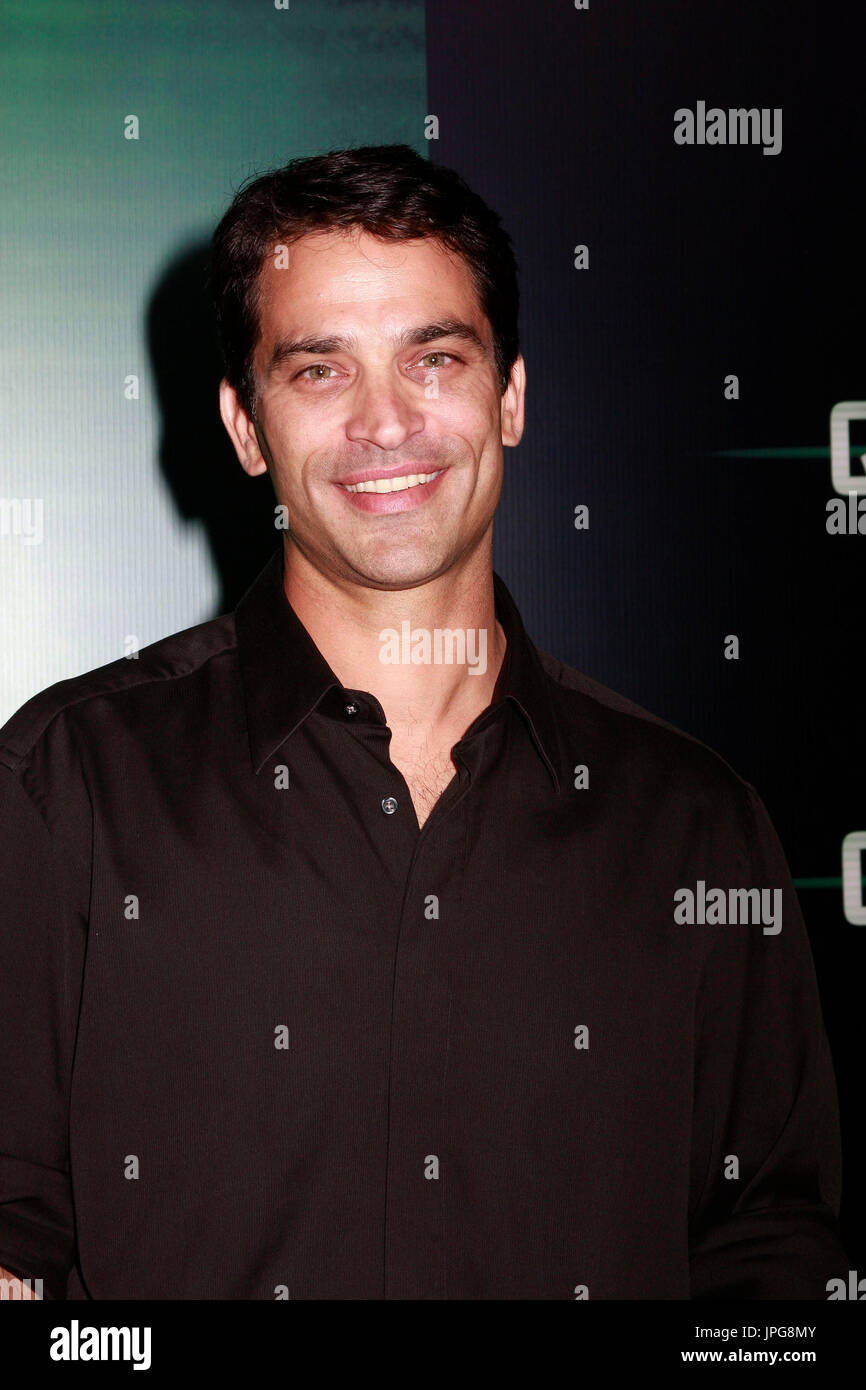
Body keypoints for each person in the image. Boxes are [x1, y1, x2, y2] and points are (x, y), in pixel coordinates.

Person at [0, 145, 849, 1300]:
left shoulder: (694, 826)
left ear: (509, 397)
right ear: (245, 427)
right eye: (319, 370)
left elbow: (768, 1254)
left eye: (433, 359)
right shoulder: (68, 785)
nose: (384, 422)